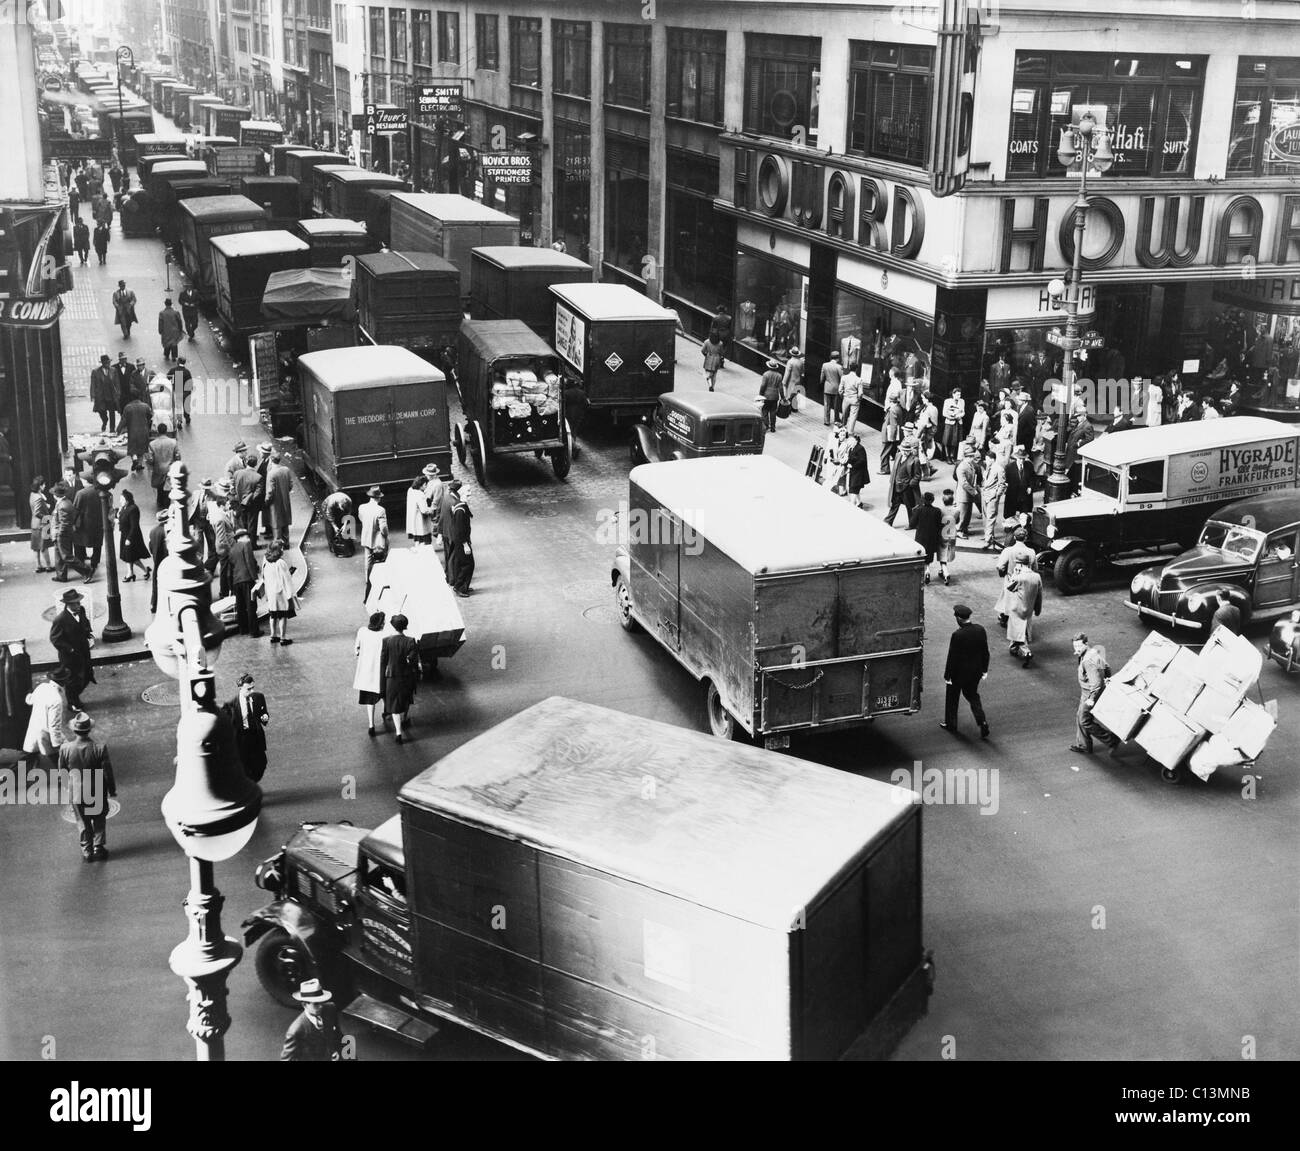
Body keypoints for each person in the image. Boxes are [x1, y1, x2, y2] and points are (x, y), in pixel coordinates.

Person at [58, 712, 117, 863]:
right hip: (96, 788)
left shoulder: (65, 748)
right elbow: (107, 771)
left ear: (74, 730)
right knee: (98, 819)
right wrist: (111, 789)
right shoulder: (99, 748)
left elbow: (62, 772)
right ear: (89, 729)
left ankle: (87, 851)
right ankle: (99, 847)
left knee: (82, 822)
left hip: (76, 791)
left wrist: (67, 789)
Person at [941, 604, 990, 738]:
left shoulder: (957, 635)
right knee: (973, 696)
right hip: (975, 672)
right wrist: (984, 670)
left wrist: (948, 675)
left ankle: (951, 724)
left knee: (952, 698)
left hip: (959, 674)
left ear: (959, 618)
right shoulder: (980, 630)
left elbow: (952, 657)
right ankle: (982, 721)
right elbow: (985, 652)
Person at [1070, 632, 1120, 757]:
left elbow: (1096, 684)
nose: (1077, 649)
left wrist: (1091, 699)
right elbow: (1107, 667)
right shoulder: (1092, 652)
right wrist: (1108, 678)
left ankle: (1111, 739)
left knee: (1084, 720)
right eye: (1075, 646)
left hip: (1091, 693)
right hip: (1088, 691)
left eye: (1079, 646)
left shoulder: (1088, 660)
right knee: (1080, 717)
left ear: (1086, 644)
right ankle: (1084, 745)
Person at [50, 589, 94, 709]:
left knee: (85, 676)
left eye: (79, 602)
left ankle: (75, 697)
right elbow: (55, 639)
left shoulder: (81, 610)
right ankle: (72, 702)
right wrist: (70, 650)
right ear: (68, 604)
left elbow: (85, 622)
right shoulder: (60, 619)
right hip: (70, 656)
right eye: (75, 603)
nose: (79, 605)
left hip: (83, 651)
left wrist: (88, 632)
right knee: (72, 680)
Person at [380, 613, 421, 743]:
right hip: (406, 676)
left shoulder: (386, 641)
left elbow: (383, 661)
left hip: (391, 676)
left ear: (393, 626)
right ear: (405, 627)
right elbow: (413, 660)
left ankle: (398, 732)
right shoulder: (410, 641)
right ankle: (405, 719)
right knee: (406, 698)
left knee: (393, 703)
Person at [23, 667, 72, 772]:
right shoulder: (57, 699)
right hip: (47, 734)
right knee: (59, 759)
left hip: (35, 728)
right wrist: (58, 744)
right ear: (64, 681)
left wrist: (29, 693)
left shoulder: (42, 686)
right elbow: (54, 724)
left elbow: (29, 700)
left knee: (29, 756)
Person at [281, 979, 343, 1062]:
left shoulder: (330, 1009)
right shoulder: (296, 1030)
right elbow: (286, 1059)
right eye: (316, 1004)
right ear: (304, 1005)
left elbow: (339, 1036)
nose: (321, 1006)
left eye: (321, 1001)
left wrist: (341, 1054)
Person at [225, 673, 270, 782]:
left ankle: (251, 782)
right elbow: (225, 725)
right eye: (248, 689)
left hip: (255, 735)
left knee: (261, 763)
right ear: (240, 688)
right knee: (244, 764)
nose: (252, 691)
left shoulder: (259, 697)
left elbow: (263, 714)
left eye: (253, 688)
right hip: (241, 738)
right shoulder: (231, 705)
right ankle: (249, 785)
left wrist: (265, 717)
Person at [354, 611, 390, 735]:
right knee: (384, 692)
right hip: (380, 671)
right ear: (380, 624)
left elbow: (357, 650)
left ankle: (371, 725)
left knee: (370, 700)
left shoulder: (362, 631)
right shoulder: (385, 636)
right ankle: (386, 712)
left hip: (366, 672)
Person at [257, 543, 299, 646]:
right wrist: (291, 594)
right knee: (282, 615)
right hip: (280, 592)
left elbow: (264, 576)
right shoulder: (281, 562)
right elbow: (286, 579)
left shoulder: (265, 560)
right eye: (281, 548)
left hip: (270, 591)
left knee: (273, 615)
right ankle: (283, 638)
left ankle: (273, 635)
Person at [1003, 560, 1043, 667]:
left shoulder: (1019, 577)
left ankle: (1026, 651)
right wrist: (1038, 608)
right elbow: (1040, 594)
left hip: (1017, 608)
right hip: (1029, 608)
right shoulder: (1037, 576)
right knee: (1023, 629)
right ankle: (1014, 647)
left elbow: (1009, 587)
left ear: (1020, 564)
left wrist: (1014, 574)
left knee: (1018, 631)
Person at [51, 483, 88, 582]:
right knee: (59, 556)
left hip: (62, 535)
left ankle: (87, 571)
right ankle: (61, 576)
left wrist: (59, 535)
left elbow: (64, 523)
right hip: (59, 534)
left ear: (55, 495)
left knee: (66, 556)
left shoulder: (63, 505)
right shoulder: (65, 502)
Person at [883, 436, 923, 528]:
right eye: (903, 450)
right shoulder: (898, 456)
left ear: (910, 450)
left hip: (907, 488)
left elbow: (917, 476)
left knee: (910, 506)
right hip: (897, 485)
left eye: (907, 450)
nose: (904, 452)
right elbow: (895, 469)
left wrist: (910, 484)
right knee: (895, 504)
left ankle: (912, 524)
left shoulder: (915, 460)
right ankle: (888, 520)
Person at [358, 485, 388, 602]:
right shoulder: (380, 510)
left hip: (366, 537)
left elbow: (361, 519)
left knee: (368, 560)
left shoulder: (362, 507)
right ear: (378, 498)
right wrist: (385, 536)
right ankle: (379, 580)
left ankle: (368, 579)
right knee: (380, 560)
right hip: (378, 540)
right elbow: (383, 527)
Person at [229, 527, 260, 636]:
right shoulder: (246, 545)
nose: (248, 539)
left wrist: (230, 585)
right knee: (251, 605)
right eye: (247, 536)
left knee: (241, 606)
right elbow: (249, 562)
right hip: (247, 579)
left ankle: (243, 629)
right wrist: (255, 578)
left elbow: (231, 567)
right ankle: (254, 631)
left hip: (236, 581)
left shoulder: (232, 549)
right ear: (242, 537)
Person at [71, 476, 103, 581]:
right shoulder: (100, 491)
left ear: (86, 481)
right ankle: (94, 562)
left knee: (79, 543)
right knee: (97, 544)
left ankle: (81, 562)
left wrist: (72, 522)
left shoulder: (81, 493)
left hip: (83, 524)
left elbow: (76, 509)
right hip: (98, 522)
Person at [446, 484, 474, 597]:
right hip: (462, 541)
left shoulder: (460, 506)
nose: (469, 494)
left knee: (464, 563)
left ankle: (464, 586)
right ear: (461, 493)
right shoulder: (460, 510)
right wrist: (465, 544)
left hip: (462, 540)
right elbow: (459, 529)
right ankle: (459, 586)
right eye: (467, 492)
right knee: (468, 564)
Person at [116, 489, 149, 581]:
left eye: (122, 500)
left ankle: (137, 572)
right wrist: (118, 520)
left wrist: (129, 539)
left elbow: (134, 526)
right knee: (129, 556)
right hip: (125, 535)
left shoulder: (133, 509)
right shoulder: (124, 508)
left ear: (127, 501)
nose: (120, 501)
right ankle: (132, 573)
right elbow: (124, 520)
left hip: (132, 536)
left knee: (131, 557)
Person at [144, 425, 180, 510]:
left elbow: (150, 459)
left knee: (159, 489)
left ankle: (160, 505)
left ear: (158, 431)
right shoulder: (173, 442)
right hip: (170, 470)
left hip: (158, 470)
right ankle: (166, 507)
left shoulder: (152, 444)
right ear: (166, 431)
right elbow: (178, 456)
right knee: (168, 489)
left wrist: (150, 464)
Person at [913, 491, 945, 585]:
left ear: (923, 500)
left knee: (922, 556)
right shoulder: (937, 511)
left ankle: (926, 572)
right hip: (932, 538)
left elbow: (912, 524)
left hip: (921, 538)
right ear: (932, 500)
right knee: (929, 556)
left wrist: (914, 512)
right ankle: (927, 570)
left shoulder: (919, 510)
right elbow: (939, 525)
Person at [980, 449, 1007, 551]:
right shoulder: (988, 467)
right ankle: (989, 535)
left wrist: (997, 496)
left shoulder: (999, 469)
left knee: (990, 517)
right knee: (985, 516)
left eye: (987, 459)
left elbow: (1002, 484)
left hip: (992, 497)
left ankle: (987, 540)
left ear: (992, 459)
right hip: (985, 494)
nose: (985, 461)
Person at [1004, 444, 1035, 530]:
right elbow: (1005, 480)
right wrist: (1006, 487)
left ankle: (1024, 528)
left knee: (1024, 513)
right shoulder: (1009, 467)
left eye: (1023, 459)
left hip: (1025, 494)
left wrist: (1031, 487)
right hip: (1013, 494)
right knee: (1010, 512)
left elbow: (1033, 478)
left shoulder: (1029, 466)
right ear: (1016, 458)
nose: (1021, 460)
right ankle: (1009, 527)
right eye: (1020, 458)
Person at [265, 453, 294, 546]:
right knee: (285, 522)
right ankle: (286, 543)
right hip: (285, 500)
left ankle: (278, 545)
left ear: (271, 460)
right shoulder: (286, 470)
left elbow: (270, 491)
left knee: (276, 524)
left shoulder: (271, 473)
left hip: (275, 503)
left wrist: (267, 501)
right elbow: (290, 485)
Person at [120, 392, 153, 474]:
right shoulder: (145, 406)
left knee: (133, 448)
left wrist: (118, 430)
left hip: (132, 431)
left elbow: (123, 420)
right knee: (142, 448)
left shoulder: (128, 407)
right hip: (144, 431)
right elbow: (150, 416)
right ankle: (139, 464)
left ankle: (134, 459)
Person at [29, 477, 55, 573]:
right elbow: (37, 512)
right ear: (40, 486)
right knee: (44, 546)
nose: (45, 486)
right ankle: (48, 566)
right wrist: (47, 517)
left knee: (36, 547)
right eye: (43, 485)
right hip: (42, 524)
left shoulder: (33, 494)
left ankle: (38, 566)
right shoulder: (39, 498)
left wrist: (45, 505)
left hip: (34, 524)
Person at [955, 445, 981, 538]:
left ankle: (965, 529)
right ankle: (959, 530)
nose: (972, 459)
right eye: (971, 457)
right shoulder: (961, 467)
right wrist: (974, 492)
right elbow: (964, 483)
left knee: (968, 514)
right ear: (966, 457)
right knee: (963, 515)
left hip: (968, 495)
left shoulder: (970, 465)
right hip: (963, 495)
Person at [322, 488, 355, 557]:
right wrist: (334, 526)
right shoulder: (331, 503)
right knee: (329, 526)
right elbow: (329, 515)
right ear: (339, 505)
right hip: (326, 507)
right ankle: (332, 545)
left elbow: (348, 514)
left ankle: (347, 543)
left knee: (343, 522)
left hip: (338, 507)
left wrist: (344, 525)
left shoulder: (349, 501)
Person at [148, 510, 169, 615]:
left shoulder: (153, 531)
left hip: (156, 561)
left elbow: (150, 547)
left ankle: (153, 604)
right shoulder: (166, 532)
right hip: (165, 561)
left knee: (155, 583)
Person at [90, 355, 119, 433]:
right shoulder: (95, 372)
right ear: (102, 363)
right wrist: (92, 395)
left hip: (111, 395)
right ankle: (105, 420)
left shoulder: (113, 370)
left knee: (112, 412)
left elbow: (117, 383)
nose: (108, 364)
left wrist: (118, 393)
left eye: (109, 362)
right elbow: (93, 384)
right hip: (101, 396)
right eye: (106, 362)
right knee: (101, 411)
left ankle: (112, 429)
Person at [756, 358, 783, 433]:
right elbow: (781, 388)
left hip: (766, 395)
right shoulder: (779, 376)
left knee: (765, 411)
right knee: (773, 411)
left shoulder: (766, 374)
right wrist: (783, 397)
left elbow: (763, 385)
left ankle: (766, 425)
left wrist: (760, 394)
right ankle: (773, 427)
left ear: (769, 366)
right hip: (775, 396)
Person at [405, 474, 433, 547]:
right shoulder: (420, 494)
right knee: (425, 545)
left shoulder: (410, 490)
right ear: (423, 484)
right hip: (422, 525)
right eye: (426, 485)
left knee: (417, 542)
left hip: (413, 524)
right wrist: (431, 509)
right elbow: (424, 510)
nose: (426, 487)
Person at [938, 489, 958, 584]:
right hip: (952, 533)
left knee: (942, 552)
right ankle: (943, 570)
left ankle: (945, 571)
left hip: (943, 533)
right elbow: (957, 521)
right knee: (948, 552)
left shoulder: (940, 510)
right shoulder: (957, 510)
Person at [940, 388, 965, 463]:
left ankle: (952, 456)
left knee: (955, 440)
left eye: (960, 394)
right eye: (957, 394)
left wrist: (959, 416)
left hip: (958, 422)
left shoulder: (962, 401)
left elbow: (963, 412)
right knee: (947, 440)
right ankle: (947, 457)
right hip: (949, 422)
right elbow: (944, 413)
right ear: (953, 394)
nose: (959, 396)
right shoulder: (947, 401)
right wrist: (951, 416)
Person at [880, 398, 904, 473]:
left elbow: (893, 424)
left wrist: (892, 437)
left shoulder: (892, 410)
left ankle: (884, 469)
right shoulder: (899, 408)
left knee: (884, 453)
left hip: (889, 435)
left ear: (890, 401)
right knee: (893, 452)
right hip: (895, 434)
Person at [845, 433, 870, 508]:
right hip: (854, 472)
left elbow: (862, 460)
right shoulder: (851, 448)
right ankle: (859, 503)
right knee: (854, 488)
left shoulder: (860, 448)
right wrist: (848, 463)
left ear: (855, 441)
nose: (848, 442)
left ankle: (852, 504)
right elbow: (850, 459)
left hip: (859, 473)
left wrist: (853, 465)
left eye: (850, 441)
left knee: (854, 488)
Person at [820, 351, 843, 427]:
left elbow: (822, 377)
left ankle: (826, 421)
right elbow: (842, 378)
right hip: (836, 388)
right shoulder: (839, 367)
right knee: (836, 405)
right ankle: (836, 419)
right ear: (837, 358)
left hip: (827, 387)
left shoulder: (825, 365)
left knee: (827, 404)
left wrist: (822, 382)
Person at [158, 298, 184, 362]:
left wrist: (160, 331)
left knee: (166, 342)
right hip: (175, 331)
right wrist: (180, 329)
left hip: (166, 331)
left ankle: (166, 354)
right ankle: (174, 356)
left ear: (165, 304)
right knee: (174, 343)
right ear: (171, 304)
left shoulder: (162, 313)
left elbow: (160, 323)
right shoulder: (176, 312)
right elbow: (179, 321)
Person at [839, 363, 862, 434]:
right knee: (853, 416)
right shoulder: (859, 379)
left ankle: (843, 428)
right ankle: (850, 431)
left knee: (844, 414)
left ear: (849, 368)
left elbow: (840, 390)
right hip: (855, 400)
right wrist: (859, 399)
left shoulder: (844, 377)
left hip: (846, 398)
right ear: (856, 369)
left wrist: (842, 396)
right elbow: (860, 393)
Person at [171, 357, 194, 427]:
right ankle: (187, 418)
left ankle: (179, 421)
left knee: (178, 407)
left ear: (178, 362)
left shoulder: (174, 370)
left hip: (178, 390)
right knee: (186, 406)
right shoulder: (187, 371)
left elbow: (168, 377)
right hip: (186, 391)